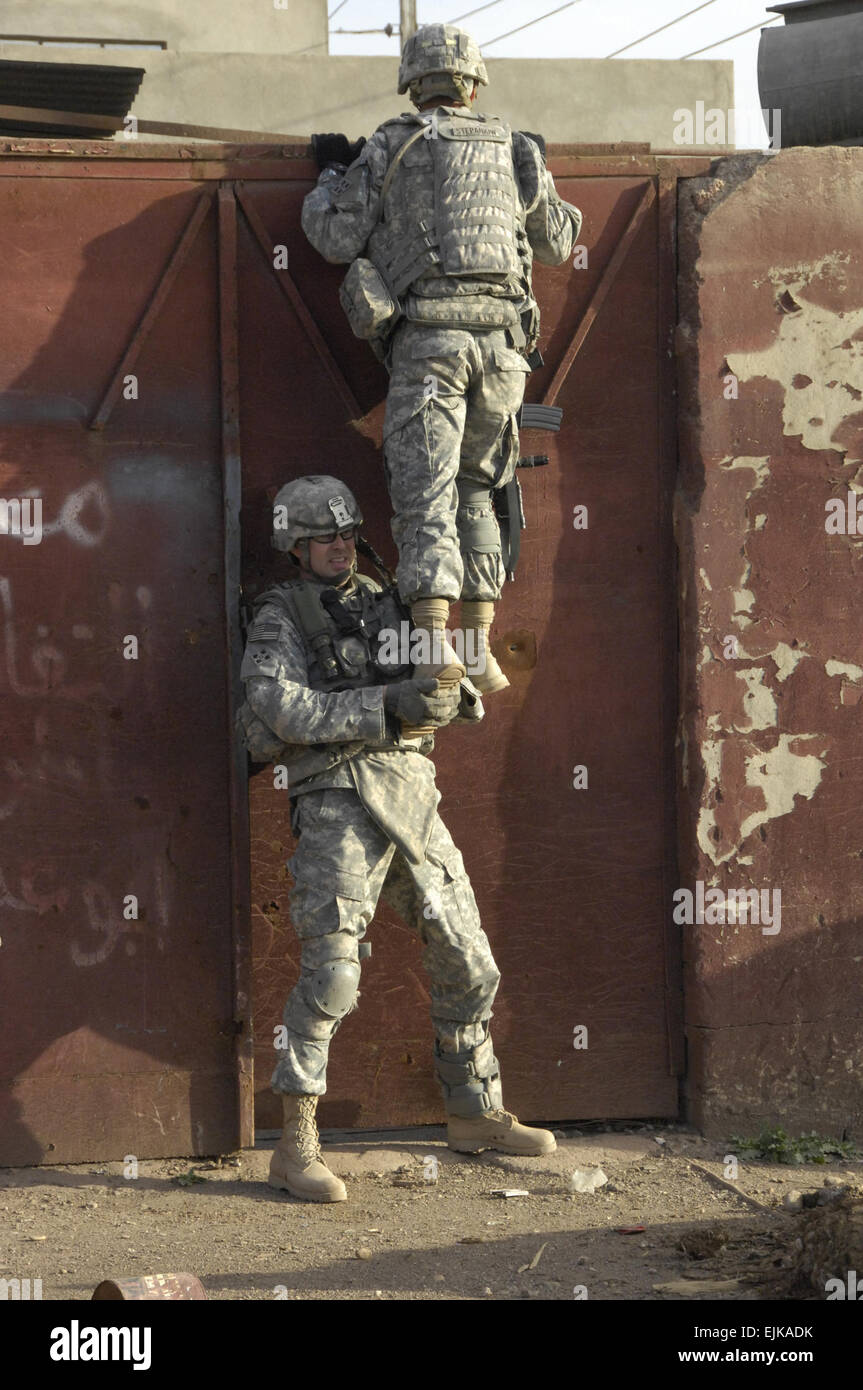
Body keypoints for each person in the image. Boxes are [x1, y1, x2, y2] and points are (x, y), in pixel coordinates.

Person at [237, 474, 556, 1202]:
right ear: (295, 545)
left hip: (412, 797)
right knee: (334, 976)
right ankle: (296, 1144)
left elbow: (447, 684)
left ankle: (474, 1112)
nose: (340, 546)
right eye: (324, 537)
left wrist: (451, 693)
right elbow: (275, 708)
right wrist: (389, 703)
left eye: (348, 533)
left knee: (468, 958)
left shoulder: (388, 605)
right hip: (337, 800)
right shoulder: (280, 616)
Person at [302, 22, 582, 699]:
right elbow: (558, 242)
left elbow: (333, 236)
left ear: (411, 85)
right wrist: (539, 170)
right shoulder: (512, 146)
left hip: (430, 347)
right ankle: (478, 647)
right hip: (502, 353)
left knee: (423, 495)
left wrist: (331, 174)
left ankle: (433, 655)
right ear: (473, 83)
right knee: (478, 490)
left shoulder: (391, 146)